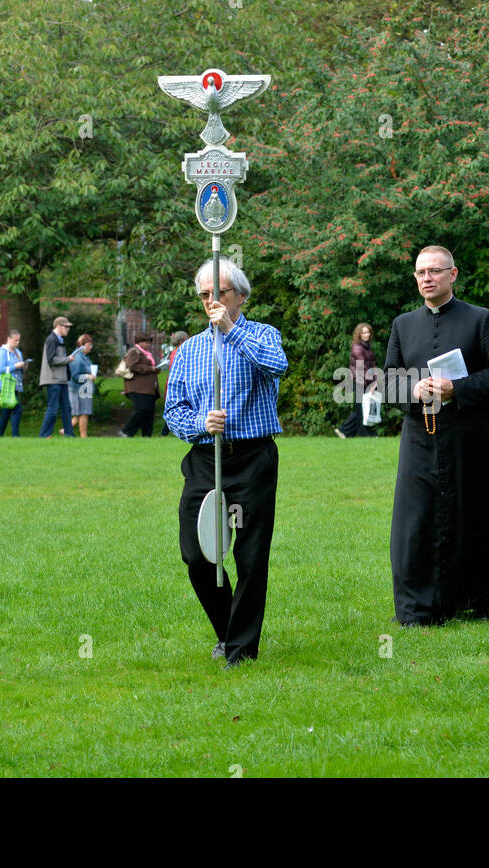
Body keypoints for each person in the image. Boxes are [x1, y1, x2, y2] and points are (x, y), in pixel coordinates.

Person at [383, 245, 489, 624]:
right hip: (420, 440)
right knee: (417, 521)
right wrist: (413, 391)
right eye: (421, 273)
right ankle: (420, 606)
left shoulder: (479, 319)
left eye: (435, 272)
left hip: (471, 439)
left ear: (452, 275)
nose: (427, 278)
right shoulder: (402, 325)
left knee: (479, 515)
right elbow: (388, 381)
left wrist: (456, 388)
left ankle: (481, 599)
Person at [165, 258, 287, 666]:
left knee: (250, 557)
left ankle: (240, 650)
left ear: (242, 296)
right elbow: (173, 411)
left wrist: (230, 332)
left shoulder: (264, 335)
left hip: (252, 458)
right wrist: (201, 422)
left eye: (220, 293)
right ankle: (227, 629)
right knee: (198, 555)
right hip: (205, 458)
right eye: (204, 295)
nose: (210, 301)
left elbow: (275, 366)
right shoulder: (189, 350)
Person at [336, 322, 379, 438]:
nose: (367, 334)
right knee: (362, 409)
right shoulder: (357, 349)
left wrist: (376, 380)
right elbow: (362, 369)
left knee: (360, 408)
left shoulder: (367, 347)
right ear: (359, 334)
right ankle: (365, 434)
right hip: (359, 381)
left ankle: (344, 431)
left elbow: (372, 365)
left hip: (365, 381)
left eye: (368, 332)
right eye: (364, 332)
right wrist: (371, 384)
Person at [39, 316, 75, 438]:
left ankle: (69, 434)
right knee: (53, 409)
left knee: (66, 408)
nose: (68, 329)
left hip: (62, 379)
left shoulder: (59, 340)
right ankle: (44, 435)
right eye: (66, 327)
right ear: (58, 326)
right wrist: (67, 359)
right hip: (53, 379)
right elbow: (51, 359)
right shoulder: (51, 340)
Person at [119, 333, 160, 437]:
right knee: (142, 410)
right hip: (137, 388)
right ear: (138, 342)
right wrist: (150, 369)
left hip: (148, 389)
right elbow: (132, 366)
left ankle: (147, 435)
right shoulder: (134, 352)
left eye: (149, 342)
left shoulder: (146, 354)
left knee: (149, 412)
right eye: (145, 342)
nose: (148, 344)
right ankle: (126, 431)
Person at [0, 330, 27, 437]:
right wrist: (15, 366)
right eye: (15, 340)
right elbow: (1, 369)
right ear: (8, 339)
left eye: (18, 340)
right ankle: (16, 435)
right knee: (17, 408)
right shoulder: (2, 352)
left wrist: (23, 366)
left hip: (16, 384)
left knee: (6, 412)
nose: (17, 343)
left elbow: (19, 368)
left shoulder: (18, 352)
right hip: (5, 385)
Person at [70, 333, 97, 438]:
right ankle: (83, 436)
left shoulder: (85, 357)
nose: (91, 347)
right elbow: (74, 376)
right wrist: (87, 377)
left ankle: (66, 429)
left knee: (82, 413)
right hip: (79, 389)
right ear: (82, 345)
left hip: (85, 388)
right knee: (83, 413)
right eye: (89, 345)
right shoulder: (77, 358)